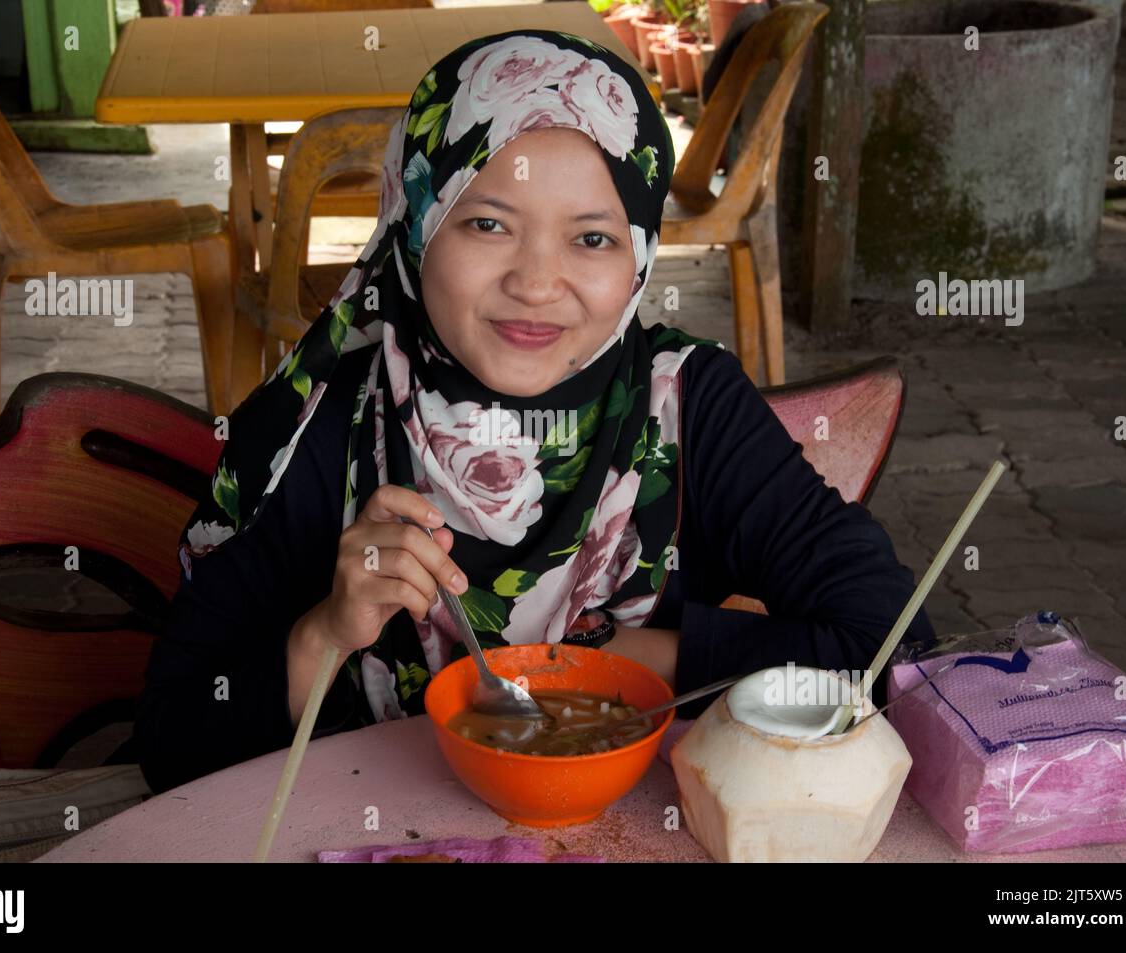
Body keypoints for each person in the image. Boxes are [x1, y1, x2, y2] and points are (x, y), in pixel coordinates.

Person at [133, 28, 935, 794]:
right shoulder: (329, 426)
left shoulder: (686, 409)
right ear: (412, 229)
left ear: (641, 255)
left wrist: (636, 659)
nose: (538, 282)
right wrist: (326, 632)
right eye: (488, 223)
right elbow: (171, 746)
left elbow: (898, 651)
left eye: (592, 239)